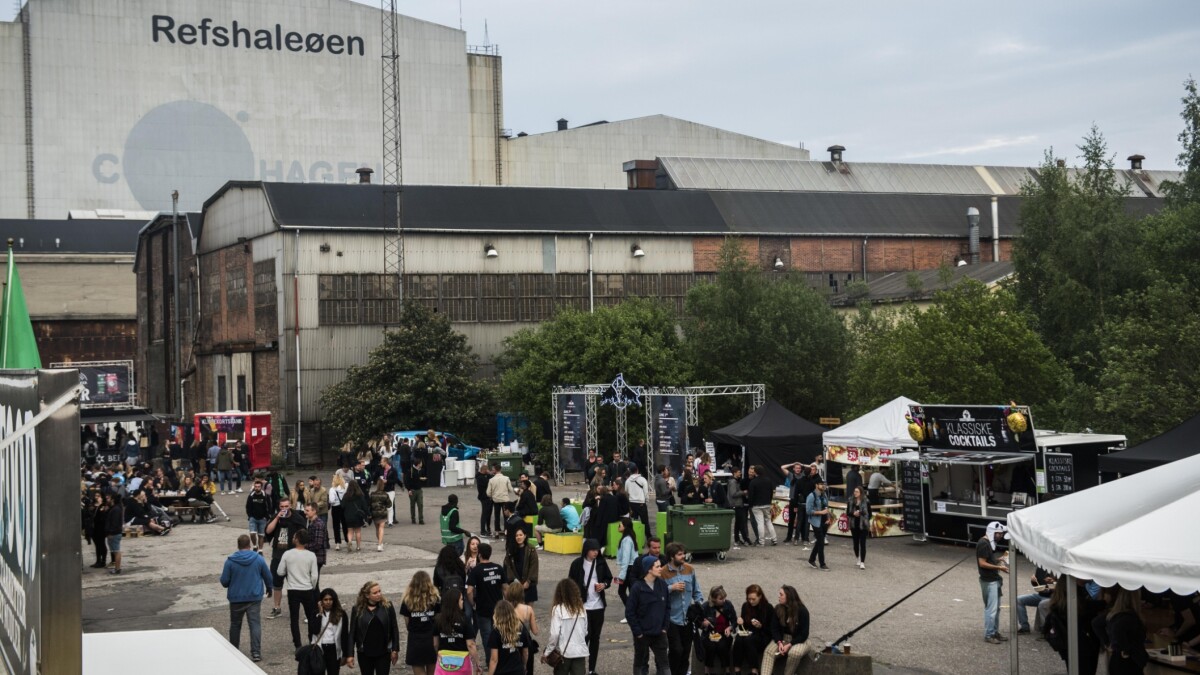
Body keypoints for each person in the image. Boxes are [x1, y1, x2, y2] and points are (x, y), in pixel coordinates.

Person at [219, 534, 272, 662]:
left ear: (238, 545)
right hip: (254, 597)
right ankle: (256, 653)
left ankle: (234, 651)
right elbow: (268, 576)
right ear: (249, 545)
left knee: (235, 624)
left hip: (236, 598)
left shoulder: (230, 561)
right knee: (254, 624)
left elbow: (224, 581)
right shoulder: (258, 559)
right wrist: (269, 588)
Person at [568, 538, 612, 675]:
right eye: (593, 550)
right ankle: (579, 667)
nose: (596, 553)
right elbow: (570, 583)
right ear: (586, 550)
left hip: (598, 605)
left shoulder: (601, 562)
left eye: (597, 550)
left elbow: (609, 578)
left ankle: (592, 669)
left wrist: (603, 585)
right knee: (584, 636)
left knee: (595, 637)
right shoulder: (577, 564)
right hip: (583, 606)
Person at [662, 542, 704, 675]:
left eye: (683, 553)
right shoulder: (663, 572)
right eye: (680, 554)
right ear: (671, 556)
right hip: (672, 619)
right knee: (676, 650)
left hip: (687, 619)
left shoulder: (689, 569)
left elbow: (697, 591)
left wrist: (699, 605)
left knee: (686, 651)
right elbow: (658, 594)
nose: (683, 556)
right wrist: (671, 588)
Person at [467, 542, 510, 671]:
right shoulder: (498, 568)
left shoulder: (476, 570)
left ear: (479, 555)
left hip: (483, 609)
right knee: (501, 634)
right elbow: (505, 588)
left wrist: (473, 603)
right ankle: (501, 659)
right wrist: (507, 604)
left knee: (486, 636)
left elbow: (469, 591)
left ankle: (490, 661)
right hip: (499, 609)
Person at [625, 555, 671, 675]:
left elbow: (667, 608)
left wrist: (664, 628)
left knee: (665, 666)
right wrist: (638, 633)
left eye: (660, 566)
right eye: (657, 566)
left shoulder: (663, 585)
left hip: (659, 633)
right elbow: (630, 612)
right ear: (649, 569)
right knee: (640, 664)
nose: (661, 568)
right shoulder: (637, 588)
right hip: (642, 634)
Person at [265, 495, 307, 619]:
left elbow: (304, 536)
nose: (284, 509)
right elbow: (268, 531)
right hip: (278, 555)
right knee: (277, 583)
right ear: (279, 507)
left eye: (286, 506)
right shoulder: (276, 517)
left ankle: (297, 609)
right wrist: (277, 518)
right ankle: (277, 608)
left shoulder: (297, 518)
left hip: (293, 556)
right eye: (282, 506)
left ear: (290, 506)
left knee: (295, 584)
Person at [277, 528, 320, 649]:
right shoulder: (311, 555)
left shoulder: (287, 554)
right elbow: (314, 576)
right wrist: (312, 586)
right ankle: (312, 640)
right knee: (311, 616)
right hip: (307, 588)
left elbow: (280, 572)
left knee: (294, 618)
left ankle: (298, 644)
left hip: (293, 589)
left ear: (297, 539)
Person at [348, 581, 401, 675]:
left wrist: (395, 649)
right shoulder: (357, 609)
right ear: (367, 595)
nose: (379, 594)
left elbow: (394, 629)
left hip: (383, 652)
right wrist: (350, 654)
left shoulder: (387, 606)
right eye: (375, 593)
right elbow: (352, 632)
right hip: (364, 653)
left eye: (379, 591)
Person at [760, 585, 810, 675]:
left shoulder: (802, 610)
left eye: (781, 594)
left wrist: (790, 644)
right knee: (768, 652)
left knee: (794, 653)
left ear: (788, 596)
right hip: (782, 638)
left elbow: (804, 634)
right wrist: (779, 642)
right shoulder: (778, 608)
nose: (779, 596)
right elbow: (774, 628)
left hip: (799, 640)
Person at [543, 578, 589, 675]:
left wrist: (547, 652)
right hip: (579, 651)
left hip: (563, 652)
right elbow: (585, 631)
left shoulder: (558, 609)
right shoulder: (582, 608)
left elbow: (554, 635)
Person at [1098, 587, 1148, 675]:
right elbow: (1117, 629)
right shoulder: (1129, 617)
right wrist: (1125, 649)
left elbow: (1096, 623)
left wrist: (1107, 643)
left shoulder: (1114, 614)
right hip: (1129, 662)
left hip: (1116, 658)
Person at [400, 570, 442, 675]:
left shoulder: (407, 600)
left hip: (415, 639)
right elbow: (438, 619)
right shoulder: (436, 599)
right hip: (432, 638)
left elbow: (407, 622)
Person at [977, 521, 1010, 644]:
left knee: (996, 609)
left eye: (1001, 534)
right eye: (999, 534)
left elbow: (988, 560)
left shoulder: (988, 543)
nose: (1001, 536)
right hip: (989, 580)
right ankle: (989, 634)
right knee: (991, 609)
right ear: (992, 532)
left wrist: (998, 560)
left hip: (994, 579)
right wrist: (999, 567)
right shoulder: (983, 543)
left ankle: (994, 632)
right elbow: (982, 563)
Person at [434, 587, 480, 675]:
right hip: (462, 663)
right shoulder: (465, 619)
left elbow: (435, 644)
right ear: (456, 602)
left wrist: (437, 654)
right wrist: (478, 664)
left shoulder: (438, 620)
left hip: (443, 662)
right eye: (461, 599)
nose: (463, 602)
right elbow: (471, 644)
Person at [733, 584, 773, 675]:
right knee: (738, 639)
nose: (751, 601)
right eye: (749, 599)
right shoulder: (745, 606)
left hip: (762, 635)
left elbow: (771, 630)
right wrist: (740, 622)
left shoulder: (768, 608)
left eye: (753, 599)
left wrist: (760, 626)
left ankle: (754, 671)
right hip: (749, 633)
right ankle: (737, 670)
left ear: (760, 596)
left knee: (749, 640)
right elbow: (742, 628)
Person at [487, 600, 531, 675]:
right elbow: (525, 652)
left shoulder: (496, 632)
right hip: (517, 670)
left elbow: (494, 659)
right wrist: (524, 665)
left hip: (502, 671)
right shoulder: (521, 628)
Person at [315, 588, 352, 675]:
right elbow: (314, 630)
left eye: (330, 599)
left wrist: (345, 654)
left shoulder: (341, 614)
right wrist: (320, 614)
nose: (328, 602)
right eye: (325, 599)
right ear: (321, 601)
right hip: (319, 648)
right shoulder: (316, 613)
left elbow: (344, 635)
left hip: (334, 649)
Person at [701, 585, 737, 675]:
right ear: (714, 599)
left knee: (722, 646)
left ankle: (727, 670)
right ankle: (707, 671)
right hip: (709, 634)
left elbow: (734, 620)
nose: (724, 600)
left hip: (723, 633)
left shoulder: (728, 605)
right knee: (710, 647)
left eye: (724, 597)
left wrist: (730, 628)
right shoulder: (705, 606)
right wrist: (704, 624)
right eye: (721, 599)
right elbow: (699, 622)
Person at [505, 582, 539, 675]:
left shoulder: (506, 609)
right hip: (525, 643)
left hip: (509, 643)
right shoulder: (528, 609)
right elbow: (535, 631)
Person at [504, 527, 540, 603]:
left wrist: (528, 581)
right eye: (516, 535)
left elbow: (534, 565)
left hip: (529, 584)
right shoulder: (510, 549)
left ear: (525, 536)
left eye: (521, 535)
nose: (518, 537)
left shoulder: (531, 548)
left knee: (529, 607)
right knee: (516, 606)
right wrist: (514, 580)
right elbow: (507, 565)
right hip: (515, 584)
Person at [1015, 566, 1055, 634]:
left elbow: (1063, 586)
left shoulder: (1056, 569)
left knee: (1042, 603)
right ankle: (1025, 627)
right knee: (1019, 599)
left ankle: (1045, 630)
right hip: (1041, 595)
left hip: (1053, 597)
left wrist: (1053, 582)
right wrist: (1033, 581)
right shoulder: (1040, 568)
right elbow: (1037, 586)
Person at [747, 465, 777, 546]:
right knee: (768, 522)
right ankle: (774, 539)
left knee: (760, 523)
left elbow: (751, 495)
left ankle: (761, 542)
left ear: (755, 472)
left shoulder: (753, 482)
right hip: (767, 504)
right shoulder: (768, 480)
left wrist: (750, 505)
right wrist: (769, 502)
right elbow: (771, 492)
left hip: (756, 506)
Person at [805, 479, 831, 570]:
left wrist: (828, 517)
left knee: (820, 541)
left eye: (824, 484)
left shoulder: (824, 495)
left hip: (824, 521)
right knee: (821, 542)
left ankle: (811, 559)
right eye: (821, 484)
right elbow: (808, 511)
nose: (823, 485)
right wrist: (820, 512)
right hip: (816, 522)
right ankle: (822, 564)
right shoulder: (811, 496)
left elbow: (826, 507)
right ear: (816, 485)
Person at [614, 517, 639, 609]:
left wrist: (622, 574)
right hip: (632, 568)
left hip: (629, 569)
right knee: (631, 591)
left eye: (620, 525)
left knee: (621, 591)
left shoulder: (626, 540)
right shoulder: (630, 538)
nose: (618, 526)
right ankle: (633, 611)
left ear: (625, 526)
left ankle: (631, 611)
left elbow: (626, 557)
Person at [779, 462, 805, 545]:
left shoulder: (803, 475)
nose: (798, 469)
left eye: (799, 468)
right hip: (793, 500)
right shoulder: (791, 475)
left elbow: (811, 467)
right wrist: (793, 464)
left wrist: (802, 464)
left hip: (801, 500)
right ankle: (789, 537)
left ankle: (803, 537)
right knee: (791, 520)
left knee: (801, 520)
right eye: (796, 468)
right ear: (793, 469)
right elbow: (782, 467)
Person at [342, 478, 370, 553]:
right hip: (358, 515)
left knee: (350, 531)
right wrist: (368, 514)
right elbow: (364, 506)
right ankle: (358, 547)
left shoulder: (346, 495)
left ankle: (349, 541)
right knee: (358, 531)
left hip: (348, 515)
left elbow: (342, 506)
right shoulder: (360, 495)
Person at [848, 485, 871, 570]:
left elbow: (869, 514)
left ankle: (862, 562)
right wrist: (853, 514)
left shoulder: (866, 501)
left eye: (857, 491)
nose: (855, 493)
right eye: (854, 491)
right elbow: (848, 513)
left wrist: (862, 515)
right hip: (854, 525)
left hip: (863, 525)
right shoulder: (850, 500)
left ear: (861, 493)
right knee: (855, 543)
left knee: (863, 543)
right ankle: (858, 557)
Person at [245, 477, 271, 552]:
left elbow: (269, 506)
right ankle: (255, 546)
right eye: (256, 486)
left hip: (263, 518)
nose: (257, 488)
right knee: (252, 533)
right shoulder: (251, 495)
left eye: (258, 486)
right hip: (253, 518)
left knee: (261, 535)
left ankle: (260, 550)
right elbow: (248, 506)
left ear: (261, 487)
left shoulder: (265, 495)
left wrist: (267, 517)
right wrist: (250, 516)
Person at [625, 464, 651, 536]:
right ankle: (648, 537)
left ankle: (633, 536)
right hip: (641, 503)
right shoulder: (642, 479)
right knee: (645, 522)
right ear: (637, 470)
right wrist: (646, 501)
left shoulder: (627, 481)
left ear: (630, 471)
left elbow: (626, 492)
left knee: (633, 521)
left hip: (631, 503)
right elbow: (646, 492)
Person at [304, 503, 329, 576]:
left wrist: (303, 547)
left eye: (307, 510)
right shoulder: (312, 523)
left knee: (313, 580)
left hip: (317, 557)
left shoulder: (318, 524)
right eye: (305, 510)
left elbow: (317, 544)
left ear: (314, 511)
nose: (305, 512)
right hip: (313, 557)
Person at [104, 492, 124, 574]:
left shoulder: (116, 509)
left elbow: (115, 523)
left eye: (109, 498)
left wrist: (111, 533)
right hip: (115, 533)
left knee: (116, 551)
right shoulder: (115, 508)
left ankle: (117, 568)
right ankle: (117, 568)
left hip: (114, 533)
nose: (107, 499)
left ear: (113, 499)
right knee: (115, 551)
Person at [370, 478, 391, 551]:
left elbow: (369, 503)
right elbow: (389, 504)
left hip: (374, 513)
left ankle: (380, 542)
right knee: (381, 528)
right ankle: (379, 544)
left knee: (377, 529)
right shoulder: (385, 494)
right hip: (382, 513)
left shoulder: (372, 494)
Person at [477, 461, 495, 536]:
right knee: (485, 514)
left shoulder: (483, 476)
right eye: (487, 470)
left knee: (488, 514)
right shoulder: (480, 478)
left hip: (487, 497)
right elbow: (489, 482)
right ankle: (483, 531)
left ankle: (488, 529)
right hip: (484, 498)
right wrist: (490, 474)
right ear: (484, 470)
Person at [408, 458, 428, 524]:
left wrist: (423, 480)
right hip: (412, 490)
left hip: (419, 490)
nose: (422, 464)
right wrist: (409, 490)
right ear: (418, 464)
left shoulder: (421, 470)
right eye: (421, 463)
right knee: (412, 505)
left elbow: (422, 478)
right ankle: (413, 518)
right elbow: (407, 481)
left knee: (420, 504)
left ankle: (421, 519)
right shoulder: (411, 471)